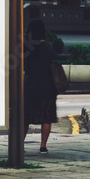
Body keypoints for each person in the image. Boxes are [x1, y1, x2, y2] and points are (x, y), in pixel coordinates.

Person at [23, 18, 58, 153]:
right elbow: (52, 63)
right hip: (47, 87)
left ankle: (20, 143)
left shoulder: (26, 46)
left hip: (30, 87)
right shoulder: (47, 46)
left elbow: (25, 66)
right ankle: (43, 146)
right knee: (46, 117)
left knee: (25, 118)